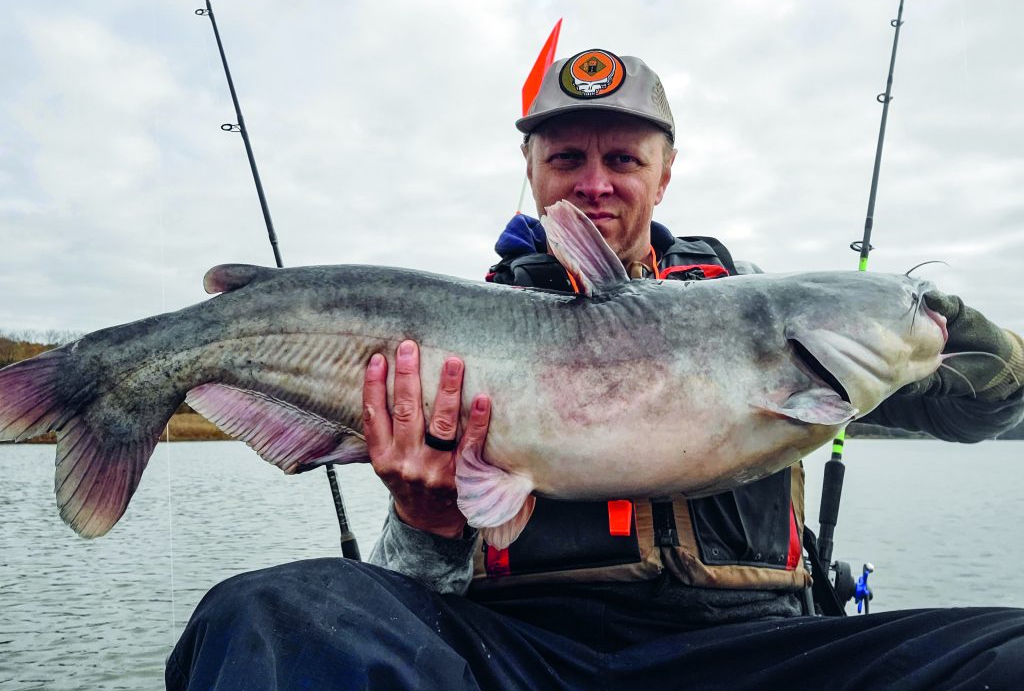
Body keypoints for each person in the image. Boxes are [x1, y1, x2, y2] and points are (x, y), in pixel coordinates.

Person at [167, 49, 1024, 690]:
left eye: (623, 159)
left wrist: (934, 310)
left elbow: (992, 410)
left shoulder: (775, 317)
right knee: (266, 619)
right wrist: (425, 518)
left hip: (760, 650)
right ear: (533, 174)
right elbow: (409, 592)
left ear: (666, 171)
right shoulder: (460, 340)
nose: (596, 183)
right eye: (567, 160)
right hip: (526, 654)